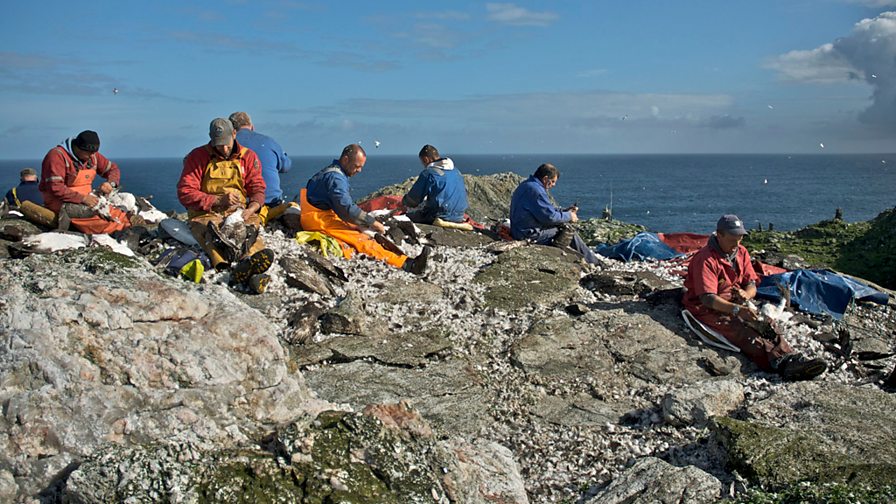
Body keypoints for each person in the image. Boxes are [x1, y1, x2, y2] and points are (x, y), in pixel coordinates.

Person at [682, 214, 828, 380]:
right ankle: (780, 365)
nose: (736, 244)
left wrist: (746, 294)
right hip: (708, 308)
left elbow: (751, 282)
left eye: (740, 239)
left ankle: (791, 357)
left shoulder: (741, 252)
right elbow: (707, 298)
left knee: (767, 324)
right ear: (719, 235)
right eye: (732, 240)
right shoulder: (706, 259)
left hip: (735, 301)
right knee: (743, 331)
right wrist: (737, 310)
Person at [301, 144, 431, 274]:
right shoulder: (336, 179)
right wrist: (372, 222)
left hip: (318, 213)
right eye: (357, 166)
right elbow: (347, 209)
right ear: (345, 159)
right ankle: (407, 265)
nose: (359, 170)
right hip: (318, 219)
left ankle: (398, 257)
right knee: (361, 240)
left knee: (360, 229)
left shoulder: (331, 171)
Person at [177, 118, 274, 294]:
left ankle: (250, 262)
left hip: (239, 211)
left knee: (250, 232)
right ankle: (228, 268)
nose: (223, 149)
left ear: (234, 134)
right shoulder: (197, 157)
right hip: (205, 213)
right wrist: (217, 200)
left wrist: (251, 209)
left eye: (226, 144)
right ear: (210, 138)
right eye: (218, 145)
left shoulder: (249, 157)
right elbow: (185, 192)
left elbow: (258, 189)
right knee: (212, 234)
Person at [39, 130, 131, 234]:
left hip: (88, 199)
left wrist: (111, 183)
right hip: (61, 202)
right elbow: (56, 188)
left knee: (118, 215)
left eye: (93, 153)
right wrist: (82, 198)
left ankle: (125, 229)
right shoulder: (57, 156)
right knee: (101, 221)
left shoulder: (93, 155)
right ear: (78, 148)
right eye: (89, 153)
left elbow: (113, 169)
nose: (91, 156)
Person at [509, 163, 600, 264]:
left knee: (561, 224)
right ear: (545, 178)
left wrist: (564, 211)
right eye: (552, 182)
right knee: (570, 232)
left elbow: (544, 210)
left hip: (518, 229)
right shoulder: (537, 191)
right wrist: (570, 215)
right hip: (528, 234)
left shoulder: (527, 185)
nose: (553, 185)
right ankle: (594, 262)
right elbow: (549, 217)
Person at [228, 111, 292, 206]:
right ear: (252, 127)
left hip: (238, 203)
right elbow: (286, 166)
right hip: (270, 202)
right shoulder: (269, 141)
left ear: (231, 130)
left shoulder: (225, 146)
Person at [401, 144, 469, 228]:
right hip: (459, 216)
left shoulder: (429, 173)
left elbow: (414, 200)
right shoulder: (456, 171)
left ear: (426, 159)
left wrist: (404, 202)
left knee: (403, 218)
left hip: (439, 216)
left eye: (422, 162)